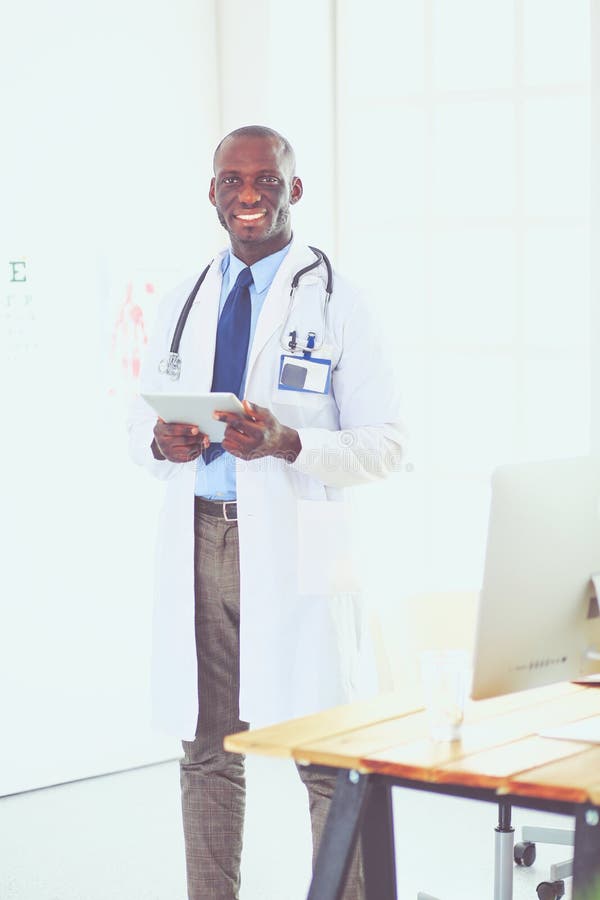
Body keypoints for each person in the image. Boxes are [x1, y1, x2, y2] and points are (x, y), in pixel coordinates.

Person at [128, 125, 406, 900]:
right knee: (207, 751)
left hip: (298, 545)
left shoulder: (341, 302)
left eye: (266, 180)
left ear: (295, 190)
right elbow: (138, 425)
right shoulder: (185, 298)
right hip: (199, 538)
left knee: (324, 751)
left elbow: (388, 445)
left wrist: (292, 443)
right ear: (212, 192)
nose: (248, 195)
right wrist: (160, 441)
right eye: (233, 180)